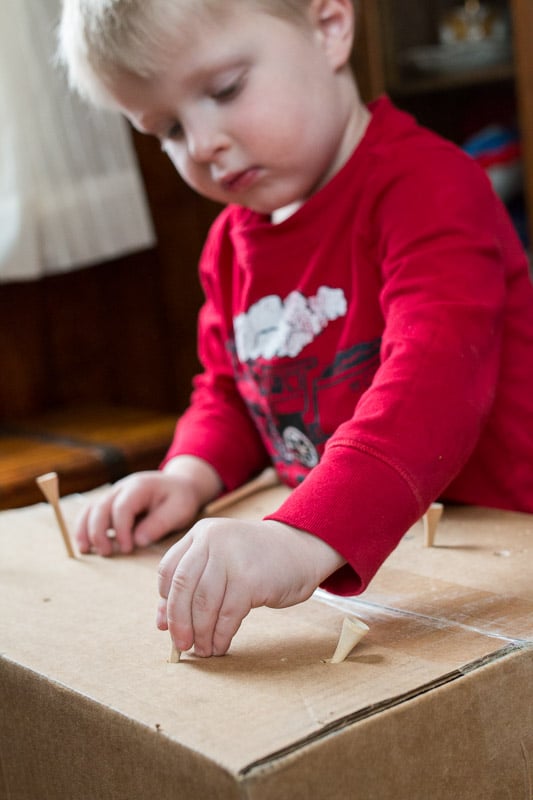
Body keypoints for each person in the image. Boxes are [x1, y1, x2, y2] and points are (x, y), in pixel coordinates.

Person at [58, 0, 533, 658]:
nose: (201, 146)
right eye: (165, 129)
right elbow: (231, 387)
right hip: (368, 566)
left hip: (498, 557)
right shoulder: (228, 246)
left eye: (225, 90)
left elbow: (432, 383)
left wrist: (300, 537)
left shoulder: (428, 186)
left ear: (329, 27)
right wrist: (187, 475)